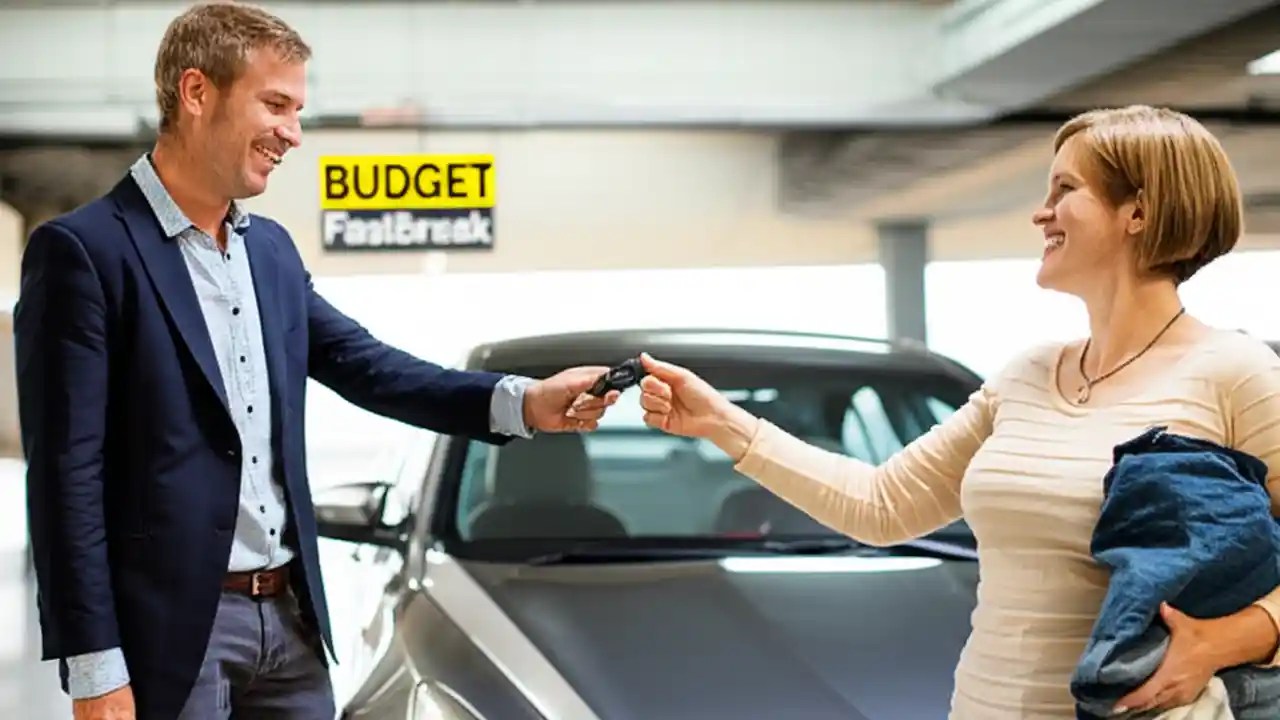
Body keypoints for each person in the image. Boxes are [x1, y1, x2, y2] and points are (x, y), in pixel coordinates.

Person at [13, 3, 618, 720]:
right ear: (197, 92)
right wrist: (94, 670)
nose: (293, 134)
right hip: (171, 636)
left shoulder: (268, 251)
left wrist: (523, 401)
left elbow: (370, 368)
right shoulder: (85, 253)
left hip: (290, 624)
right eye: (275, 104)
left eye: (298, 110)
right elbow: (64, 480)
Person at [637, 105, 1280, 720]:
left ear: (1137, 211)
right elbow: (883, 505)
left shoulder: (1233, 372)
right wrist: (722, 422)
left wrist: (1224, 641)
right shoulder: (1027, 374)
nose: (1042, 212)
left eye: (1065, 189)